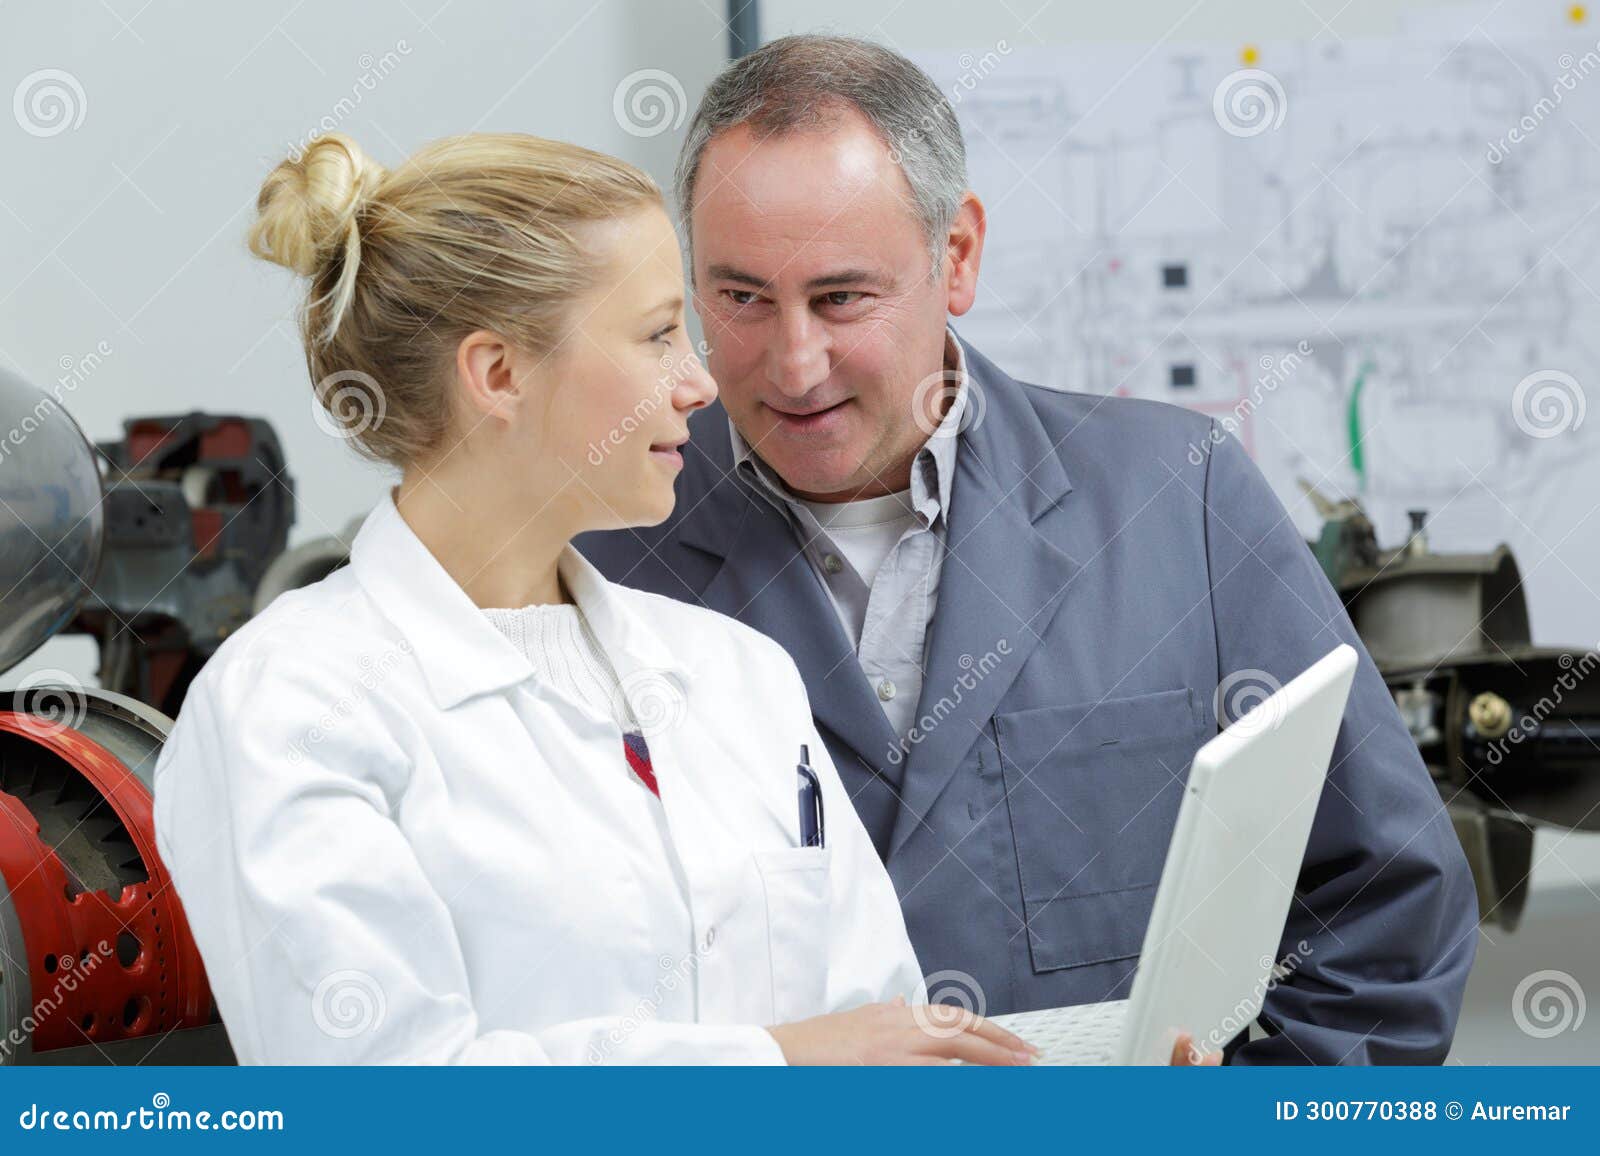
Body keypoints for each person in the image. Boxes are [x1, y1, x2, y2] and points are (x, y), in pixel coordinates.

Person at [576, 35, 1481, 1064]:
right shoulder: (587, 552)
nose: (794, 362)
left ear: (955, 256)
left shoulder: (1174, 497)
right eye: (739, 299)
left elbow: (1386, 905)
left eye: (840, 298)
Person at [150, 130, 1046, 1066]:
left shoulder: (736, 674)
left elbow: (893, 1045)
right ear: (498, 375)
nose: (700, 383)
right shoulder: (289, 706)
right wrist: (774, 1064)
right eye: (659, 334)